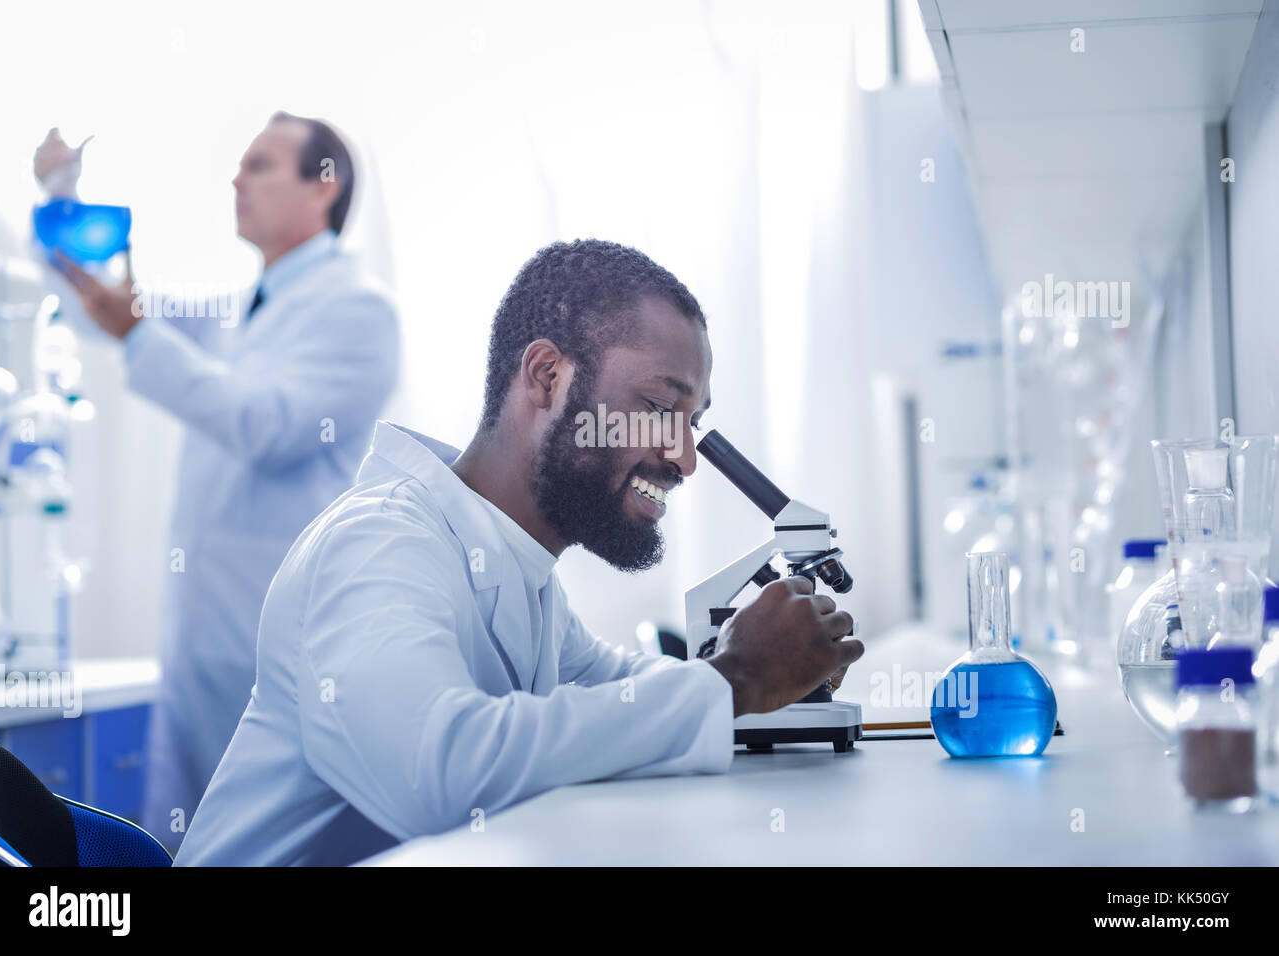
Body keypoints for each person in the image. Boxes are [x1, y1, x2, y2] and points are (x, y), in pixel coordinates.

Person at [174, 239, 862, 866]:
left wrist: (755, 675)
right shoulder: (379, 544)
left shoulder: (519, 575)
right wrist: (736, 677)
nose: (683, 459)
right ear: (546, 376)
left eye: (694, 423)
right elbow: (438, 773)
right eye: (659, 407)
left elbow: (614, 691)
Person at [33, 115, 400, 852]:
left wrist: (138, 334)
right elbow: (93, 302)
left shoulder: (360, 312)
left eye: (259, 165)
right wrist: (59, 190)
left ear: (322, 189)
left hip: (279, 648)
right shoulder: (234, 311)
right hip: (202, 642)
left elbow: (266, 425)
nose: (235, 180)